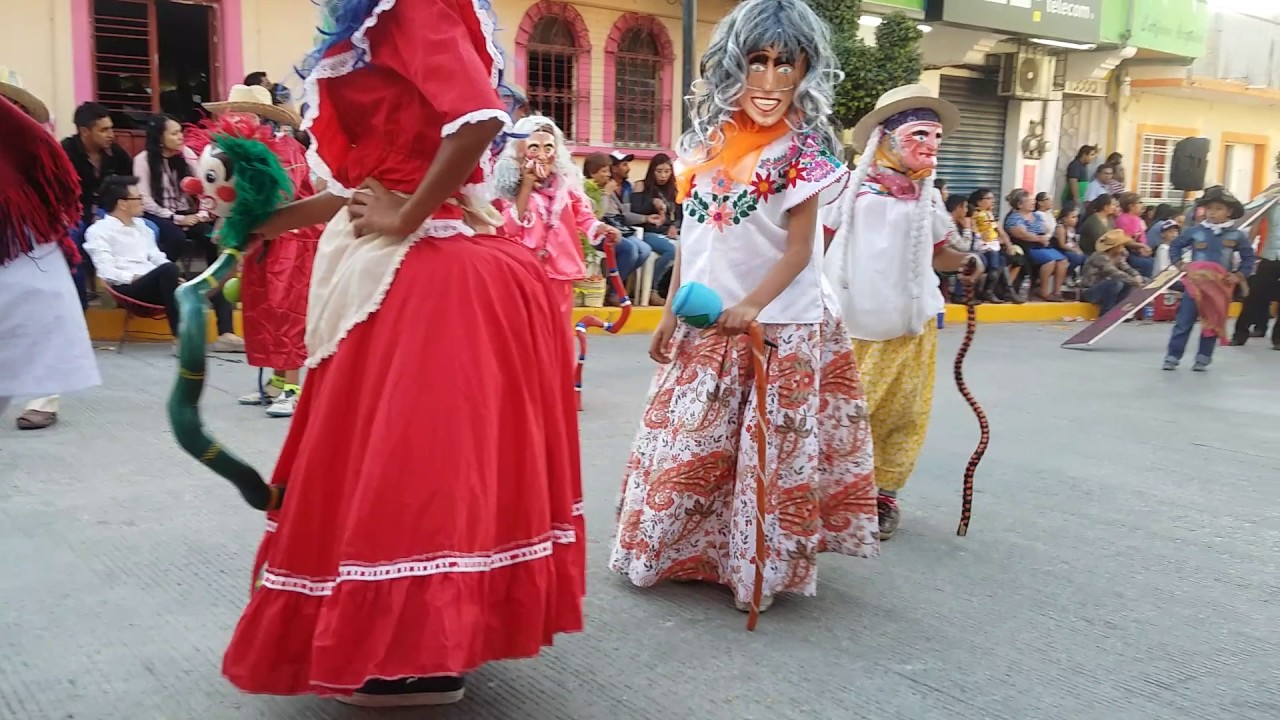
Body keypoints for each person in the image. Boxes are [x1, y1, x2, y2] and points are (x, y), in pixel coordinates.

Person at [219, 0, 584, 706]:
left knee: (410, 468)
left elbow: (478, 117)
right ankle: (425, 645)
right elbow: (374, 181)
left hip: (427, 276)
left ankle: (412, 657)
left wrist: (405, 214)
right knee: (413, 463)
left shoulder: (409, 8)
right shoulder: (376, 20)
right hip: (414, 263)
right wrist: (271, 223)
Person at [611, 0, 878, 613]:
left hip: (778, 325)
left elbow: (800, 251)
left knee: (765, 456)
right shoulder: (702, 147)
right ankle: (676, 551)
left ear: (807, 72)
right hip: (705, 320)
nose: (771, 80)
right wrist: (669, 312)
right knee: (690, 448)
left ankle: (756, 565)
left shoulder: (805, 155)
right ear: (733, 66)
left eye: (788, 65)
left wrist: (752, 306)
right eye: (757, 61)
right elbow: (693, 239)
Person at [824, 82, 981, 540]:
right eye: (919, 135)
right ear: (888, 138)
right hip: (854, 324)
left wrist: (967, 260)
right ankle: (830, 495)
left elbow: (939, 255)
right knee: (850, 415)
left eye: (936, 137)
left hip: (912, 327)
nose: (930, 146)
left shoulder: (927, 196)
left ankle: (883, 497)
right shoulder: (848, 190)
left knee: (905, 417)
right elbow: (819, 244)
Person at [199, 91, 318, 415]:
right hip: (260, 239)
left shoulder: (286, 148)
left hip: (291, 236)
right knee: (261, 307)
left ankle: (292, 387)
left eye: (241, 113)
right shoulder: (233, 153)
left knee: (287, 308)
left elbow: (285, 194)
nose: (234, 119)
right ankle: (276, 383)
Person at [0, 71, 100, 429]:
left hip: (28, 242)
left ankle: (45, 398)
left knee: (43, 317)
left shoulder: (28, 143)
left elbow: (56, 192)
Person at [494, 115, 620, 338]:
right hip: (523, 272)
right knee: (525, 333)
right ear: (521, 150)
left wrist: (601, 229)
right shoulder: (508, 190)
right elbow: (509, 229)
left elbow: (584, 217)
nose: (542, 156)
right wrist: (526, 186)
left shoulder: (566, 186)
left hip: (559, 272)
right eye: (534, 147)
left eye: (548, 148)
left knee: (557, 332)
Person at [1163, 186, 1254, 371]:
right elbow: (1175, 246)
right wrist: (1181, 265)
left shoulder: (1236, 235)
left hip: (1219, 288)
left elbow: (1248, 257)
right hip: (1194, 286)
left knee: (1211, 323)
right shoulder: (1195, 231)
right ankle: (1172, 356)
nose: (1212, 213)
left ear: (1229, 212)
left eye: (1218, 209)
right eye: (1209, 208)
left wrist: (1238, 275)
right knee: (1183, 322)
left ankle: (1203, 358)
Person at [81, 175, 183, 336]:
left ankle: (225, 334)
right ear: (122, 204)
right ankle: (180, 338)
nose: (142, 202)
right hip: (128, 288)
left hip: (155, 284)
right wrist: (135, 277)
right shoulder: (98, 231)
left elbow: (156, 256)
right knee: (168, 270)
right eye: (139, 198)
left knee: (206, 280)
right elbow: (106, 272)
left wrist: (172, 275)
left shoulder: (142, 227)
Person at [132, 114, 216, 265]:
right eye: (174, 133)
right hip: (158, 214)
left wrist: (203, 212)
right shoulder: (143, 160)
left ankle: (213, 283)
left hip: (186, 213)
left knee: (212, 236)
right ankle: (158, 274)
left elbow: (203, 186)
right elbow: (144, 199)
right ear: (159, 138)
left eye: (180, 132)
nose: (180, 137)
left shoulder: (186, 153)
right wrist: (176, 218)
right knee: (176, 239)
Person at [1231, 185, 1280, 348]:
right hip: (1269, 254)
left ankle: (1278, 339)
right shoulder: (1272, 197)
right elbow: (1255, 220)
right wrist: (1246, 251)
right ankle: (1240, 334)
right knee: (1255, 295)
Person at [629, 153, 679, 305]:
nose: (663, 176)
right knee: (671, 250)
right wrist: (652, 202)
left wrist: (674, 226)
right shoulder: (641, 186)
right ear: (652, 171)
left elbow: (680, 215)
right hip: (647, 232)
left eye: (666, 171)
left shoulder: (674, 190)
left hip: (667, 232)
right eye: (659, 171)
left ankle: (673, 290)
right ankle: (652, 289)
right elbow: (636, 210)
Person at [1004, 188, 1068, 301]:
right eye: (1029, 201)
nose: (1033, 202)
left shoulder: (1036, 216)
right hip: (1028, 246)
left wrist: (1044, 237)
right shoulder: (1014, 218)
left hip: (1042, 243)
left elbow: (1046, 229)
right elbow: (1022, 234)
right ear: (1020, 205)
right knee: (1050, 262)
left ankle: (1057, 292)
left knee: (1062, 261)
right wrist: (1039, 238)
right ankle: (1043, 292)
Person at [1080, 229, 1144, 314]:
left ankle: (1119, 309)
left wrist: (1136, 276)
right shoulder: (1100, 257)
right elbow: (1114, 273)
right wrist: (1134, 281)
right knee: (1116, 283)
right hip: (1091, 290)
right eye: (1121, 245)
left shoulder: (1118, 256)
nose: (1123, 248)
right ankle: (1106, 311)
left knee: (1126, 283)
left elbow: (1126, 268)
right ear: (1115, 247)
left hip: (1105, 288)